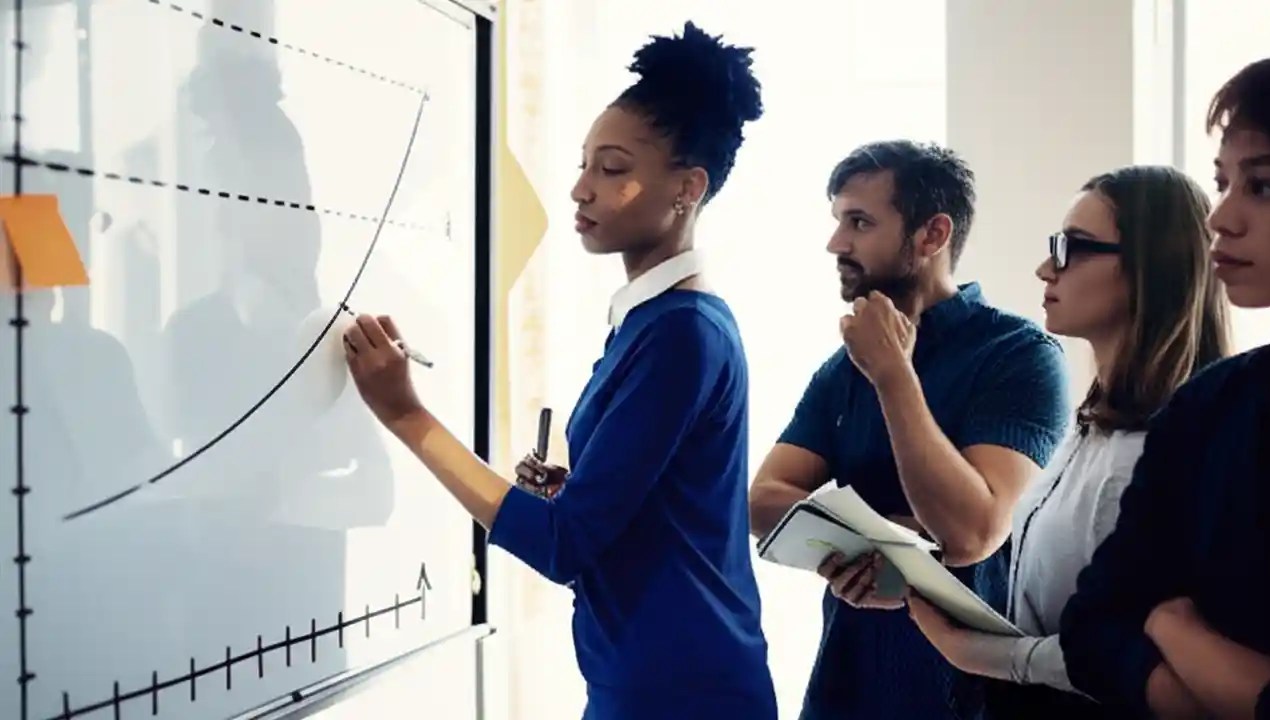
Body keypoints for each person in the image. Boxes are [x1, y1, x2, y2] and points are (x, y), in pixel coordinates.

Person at [344, 21, 777, 720]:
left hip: (679, 693)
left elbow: (561, 545)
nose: (580, 189)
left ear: (687, 188)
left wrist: (405, 414)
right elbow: (634, 509)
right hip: (654, 676)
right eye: (583, 164)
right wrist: (577, 489)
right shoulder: (655, 320)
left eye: (612, 169)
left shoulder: (681, 334)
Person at [748, 140, 1072, 720]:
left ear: (931, 235)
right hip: (844, 689)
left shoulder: (1020, 356)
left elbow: (973, 531)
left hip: (965, 697)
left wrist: (894, 374)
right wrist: (892, 544)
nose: (836, 243)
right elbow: (764, 501)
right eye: (838, 220)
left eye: (860, 222)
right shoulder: (844, 368)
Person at [905, 165, 1231, 720]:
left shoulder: (1181, 449)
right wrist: (921, 582)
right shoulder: (1094, 426)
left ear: (1150, 268)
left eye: (1071, 247)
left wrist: (983, 653)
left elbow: (1133, 648)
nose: (1044, 268)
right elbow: (1046, 598)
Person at [1057, 56, 1270, 720]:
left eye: (1264, 187)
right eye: (1222, 184)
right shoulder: (1210, 405)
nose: (1221, 218)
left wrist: (1175, 629)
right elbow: (1092, 622)